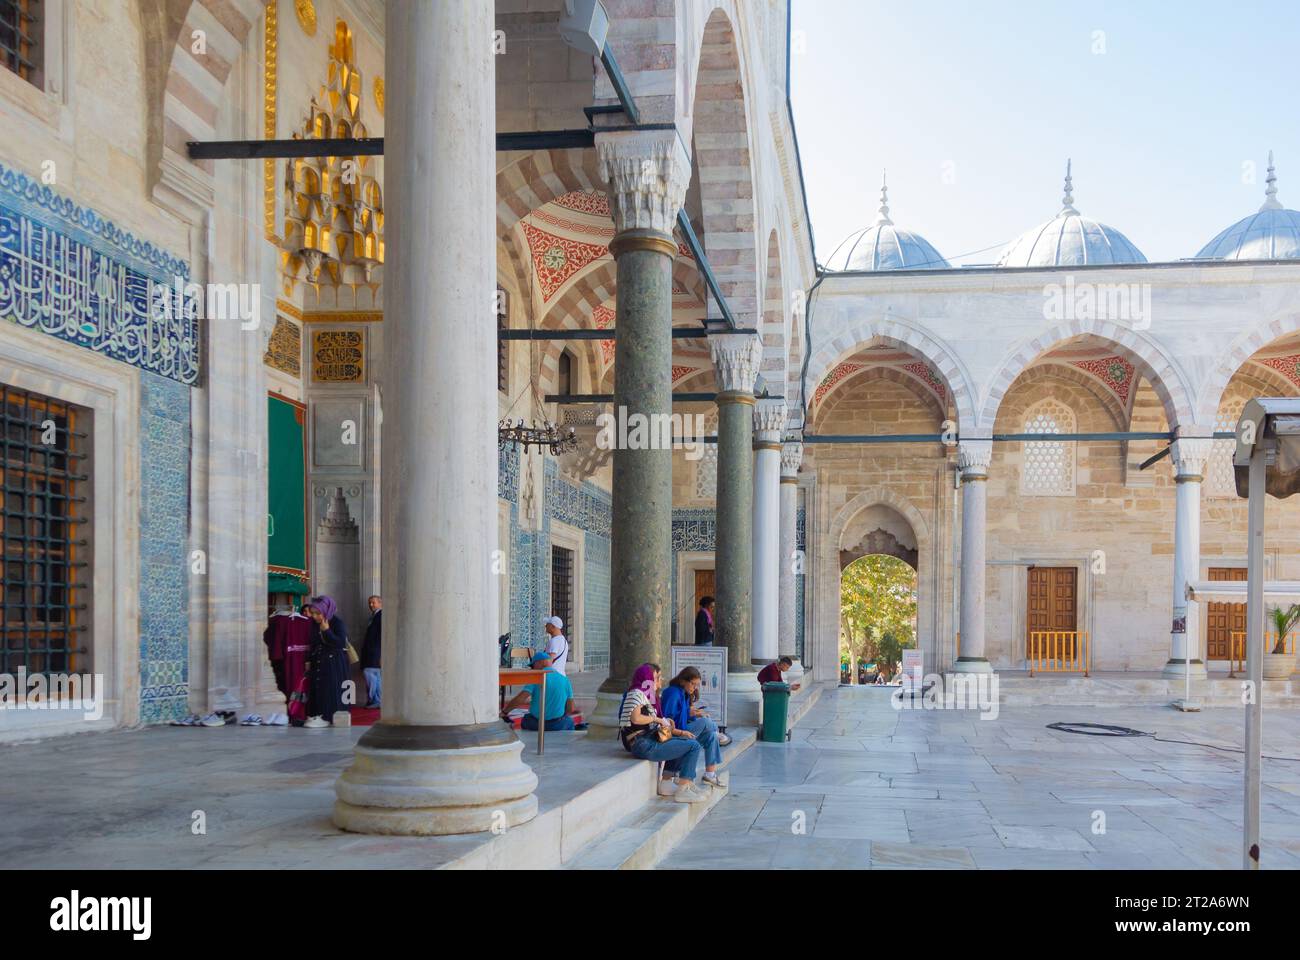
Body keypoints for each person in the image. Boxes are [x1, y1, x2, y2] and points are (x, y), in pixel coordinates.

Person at [618, 663, 708, 804]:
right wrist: (657, 718)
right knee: (693, 746)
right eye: (657, 677)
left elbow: (654, 724)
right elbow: (635, 718)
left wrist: (677, 729)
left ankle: (684, 784)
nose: (660, 681)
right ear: (647, 678)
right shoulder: (635, 693)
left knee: (688, 742)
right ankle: (683, 789)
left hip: (648, 739)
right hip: (640, 743)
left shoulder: (647, 696)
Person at [660, 667, 726, 790]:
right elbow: (668, 717)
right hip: (675, 732)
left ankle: (710, 774)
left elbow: (683, 715)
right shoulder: (673, 693)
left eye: (696, 685)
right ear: (683, 681)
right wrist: (689, 713)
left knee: (710, 737)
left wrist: (693, 713)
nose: (694, 687)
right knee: (706, 723)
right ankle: (715, 731)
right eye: (692, 684)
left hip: (684, 729)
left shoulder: (684, 694)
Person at [303, 595, 351, 727]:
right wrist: (308, 660)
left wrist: (327, 631)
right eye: (313, 613)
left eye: (318, 613)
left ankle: (328, 716)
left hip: (334, 663)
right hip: (318, 661)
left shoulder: (337, 623)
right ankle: (318, 715)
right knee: (317, 688)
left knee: (331, 688)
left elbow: (340, 643)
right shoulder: (313, 624)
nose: (314, 616)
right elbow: (311, 643)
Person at [500, 650, 576, 731]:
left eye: (532, 666)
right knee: (569, 721)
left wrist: (504, 712)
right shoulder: (564, 680)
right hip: (558, 725)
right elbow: (570, 708)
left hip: (536, 724)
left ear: (539, 663)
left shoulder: (536, 678)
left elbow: (521, 698)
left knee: (526, 719)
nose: (532, 669)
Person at [361, 595, 382, 708]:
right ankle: (377, 700)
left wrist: (381, 654)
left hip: (375, 652)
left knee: (370, 674)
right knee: (376, 676)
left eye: (373, 602)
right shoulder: (374, 616)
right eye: (370, 602)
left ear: (380, 603)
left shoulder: (380, 615)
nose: (371, 605)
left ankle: (375, 700)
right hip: (372, 651)